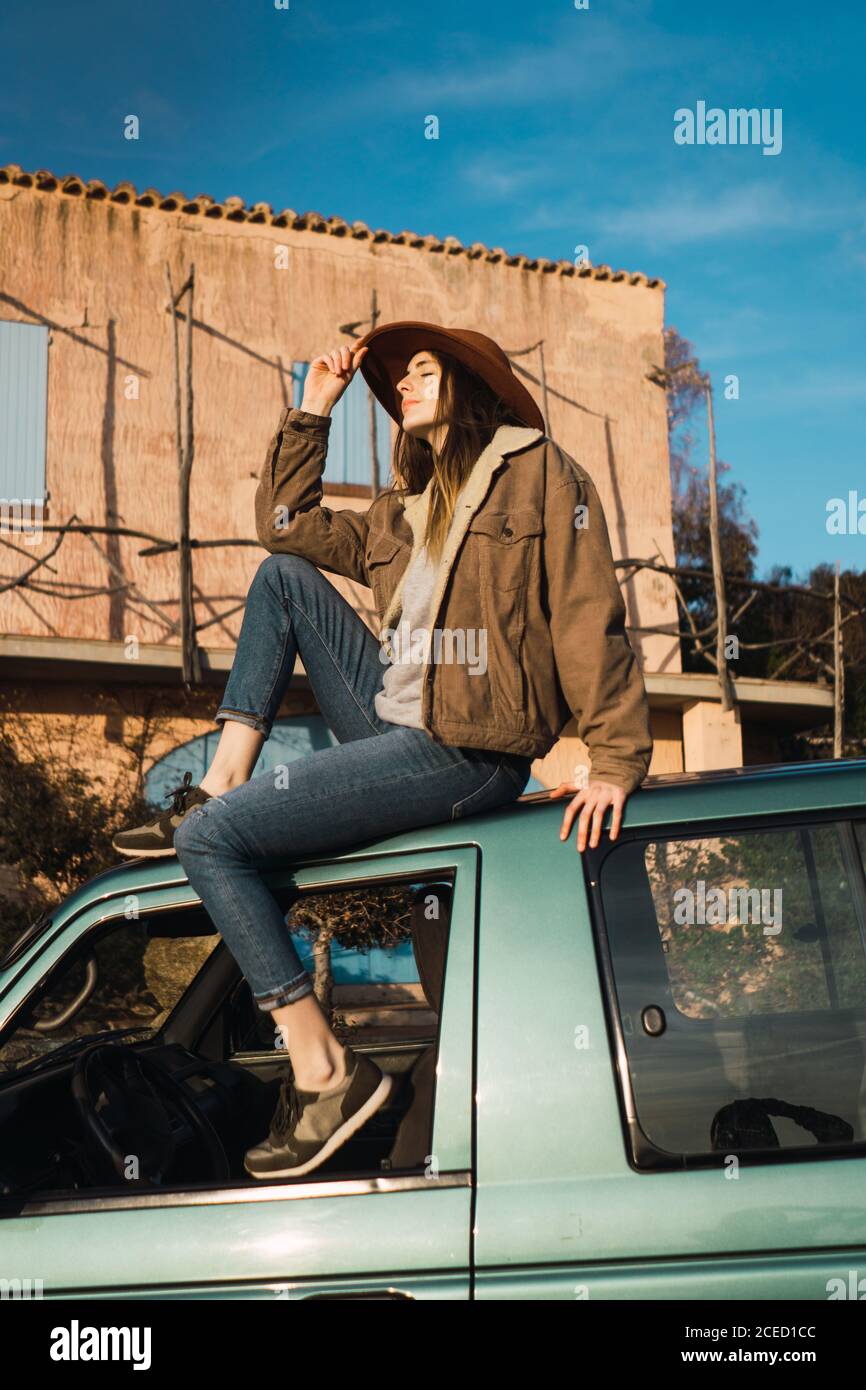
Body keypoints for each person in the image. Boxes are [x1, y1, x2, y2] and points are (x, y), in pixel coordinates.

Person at [111, 321, 653, 1178]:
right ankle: (222, 775)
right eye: (396, 378)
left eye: (423, 371)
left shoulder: (542, 475)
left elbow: (588, 616)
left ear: (471, 386)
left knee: (207, 845)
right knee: (281, 579)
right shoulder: (406, 507)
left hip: (467, 748)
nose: (402, 385)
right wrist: (312, 411)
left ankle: (325, 1069)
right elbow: (285, 526)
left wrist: (616, 756)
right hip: (396, 725)